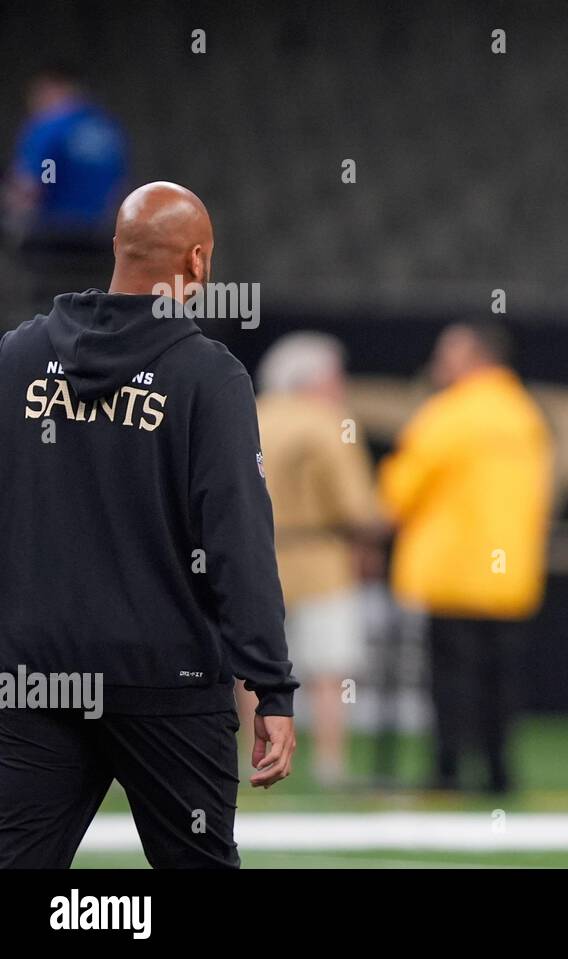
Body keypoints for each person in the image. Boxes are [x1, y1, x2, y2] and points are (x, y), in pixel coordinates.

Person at [0, 182, 297, 868]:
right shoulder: (207, 377)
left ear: (115, 248)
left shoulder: (16, 360)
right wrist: (271, 685)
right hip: (168, 682)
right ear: (197, 263)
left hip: (34, 679)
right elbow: (238, 543)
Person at [379, 323, 553, 794]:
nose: (439, 363)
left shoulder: (449, 413)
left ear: (474, 359)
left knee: (450, 680)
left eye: (448, 354)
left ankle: (448, 770)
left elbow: (400, 489)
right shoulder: (525, 414)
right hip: (510, 573)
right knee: (501, 682)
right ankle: (499, 773)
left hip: (453, 570)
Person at [253, 332, 383, 787]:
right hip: (321, 556)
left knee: (252, 667)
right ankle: (330, 765)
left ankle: (252, 759)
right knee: (329, 671)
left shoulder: (251, 414)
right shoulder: (327, 422)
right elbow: (354, 505)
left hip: (256, 555)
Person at [3, 63, 127, 322]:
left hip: (51, 241)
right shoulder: (108, 129)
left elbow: (28, 190)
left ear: (53, 88)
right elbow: (119, 192)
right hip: (100, 243)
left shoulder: (48, 126)